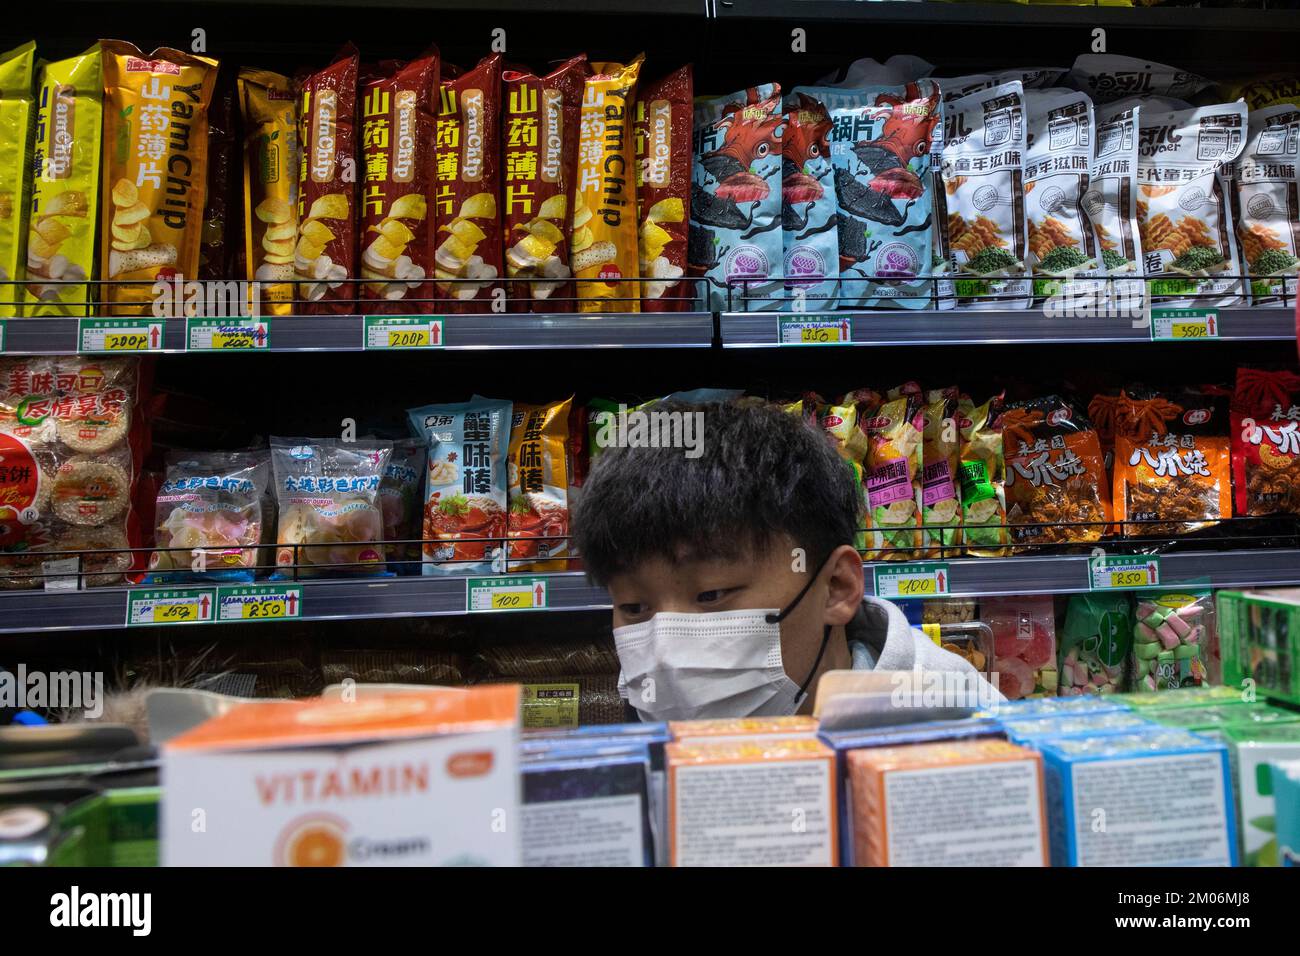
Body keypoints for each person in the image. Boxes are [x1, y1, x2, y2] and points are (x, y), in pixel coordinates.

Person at [574, 400, 1001, 720]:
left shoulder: (964, 729)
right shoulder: (630, 756)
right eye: (633, 607)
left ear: (836, 586)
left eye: (711, 594)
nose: (665, 656)